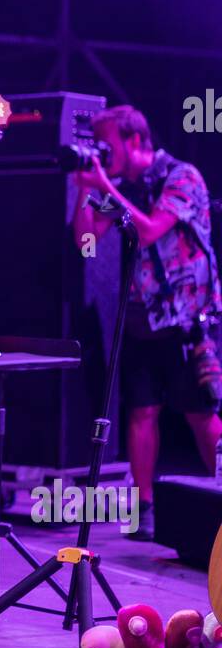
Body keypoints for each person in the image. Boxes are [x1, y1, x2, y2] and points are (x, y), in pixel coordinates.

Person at [72, 104, 222, 540]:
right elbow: (85, 243)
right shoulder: (119, 187)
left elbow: (154, 228)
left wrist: (102, 184)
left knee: (200, 412)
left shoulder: (182, 176)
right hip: (139, 319)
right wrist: (86, 190)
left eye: (107, 143)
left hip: (187, 317)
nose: (101, 151)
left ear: (134, 140)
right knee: (141, 411)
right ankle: (142, 510)